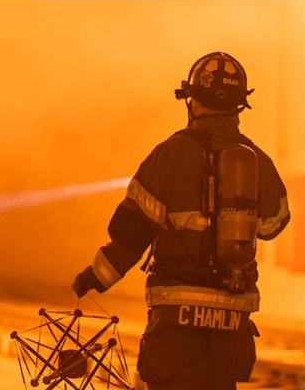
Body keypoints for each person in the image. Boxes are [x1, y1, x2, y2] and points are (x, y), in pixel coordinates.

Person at [71, 51, 290, 390]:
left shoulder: (170, 153)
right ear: (239, 105)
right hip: (232, 325)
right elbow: (274, 225)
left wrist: (94, 277)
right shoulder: (258, 159)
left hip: (176, 324)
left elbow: (131, 233)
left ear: (193, 101)